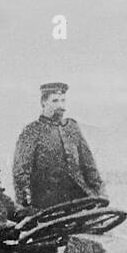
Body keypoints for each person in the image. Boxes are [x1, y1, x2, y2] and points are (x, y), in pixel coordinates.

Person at [13, 81, 105, 211]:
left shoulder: (72, 128)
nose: (60, 106)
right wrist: (26, 204)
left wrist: (100, 193)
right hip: (47, 203)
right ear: (43, 103)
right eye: (55, 101)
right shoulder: (31, 131)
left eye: (63, 101)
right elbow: (21, 172)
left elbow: (89, 166)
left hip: (79, 198)